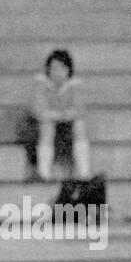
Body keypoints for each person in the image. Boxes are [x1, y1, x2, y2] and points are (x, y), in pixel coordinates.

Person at [32, 49, 91, 181]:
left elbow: (80, 110)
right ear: (48, 70)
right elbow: (38, 111)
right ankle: (43, 173)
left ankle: (84, 173)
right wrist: (59, 115)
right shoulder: (41, 85)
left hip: (67, 125)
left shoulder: (75, 86)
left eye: (62, 69)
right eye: (54, 69)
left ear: (69, 70)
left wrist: (62, 115)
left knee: (80, 125)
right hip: (42, 127)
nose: (58, 73)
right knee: (46, 126)